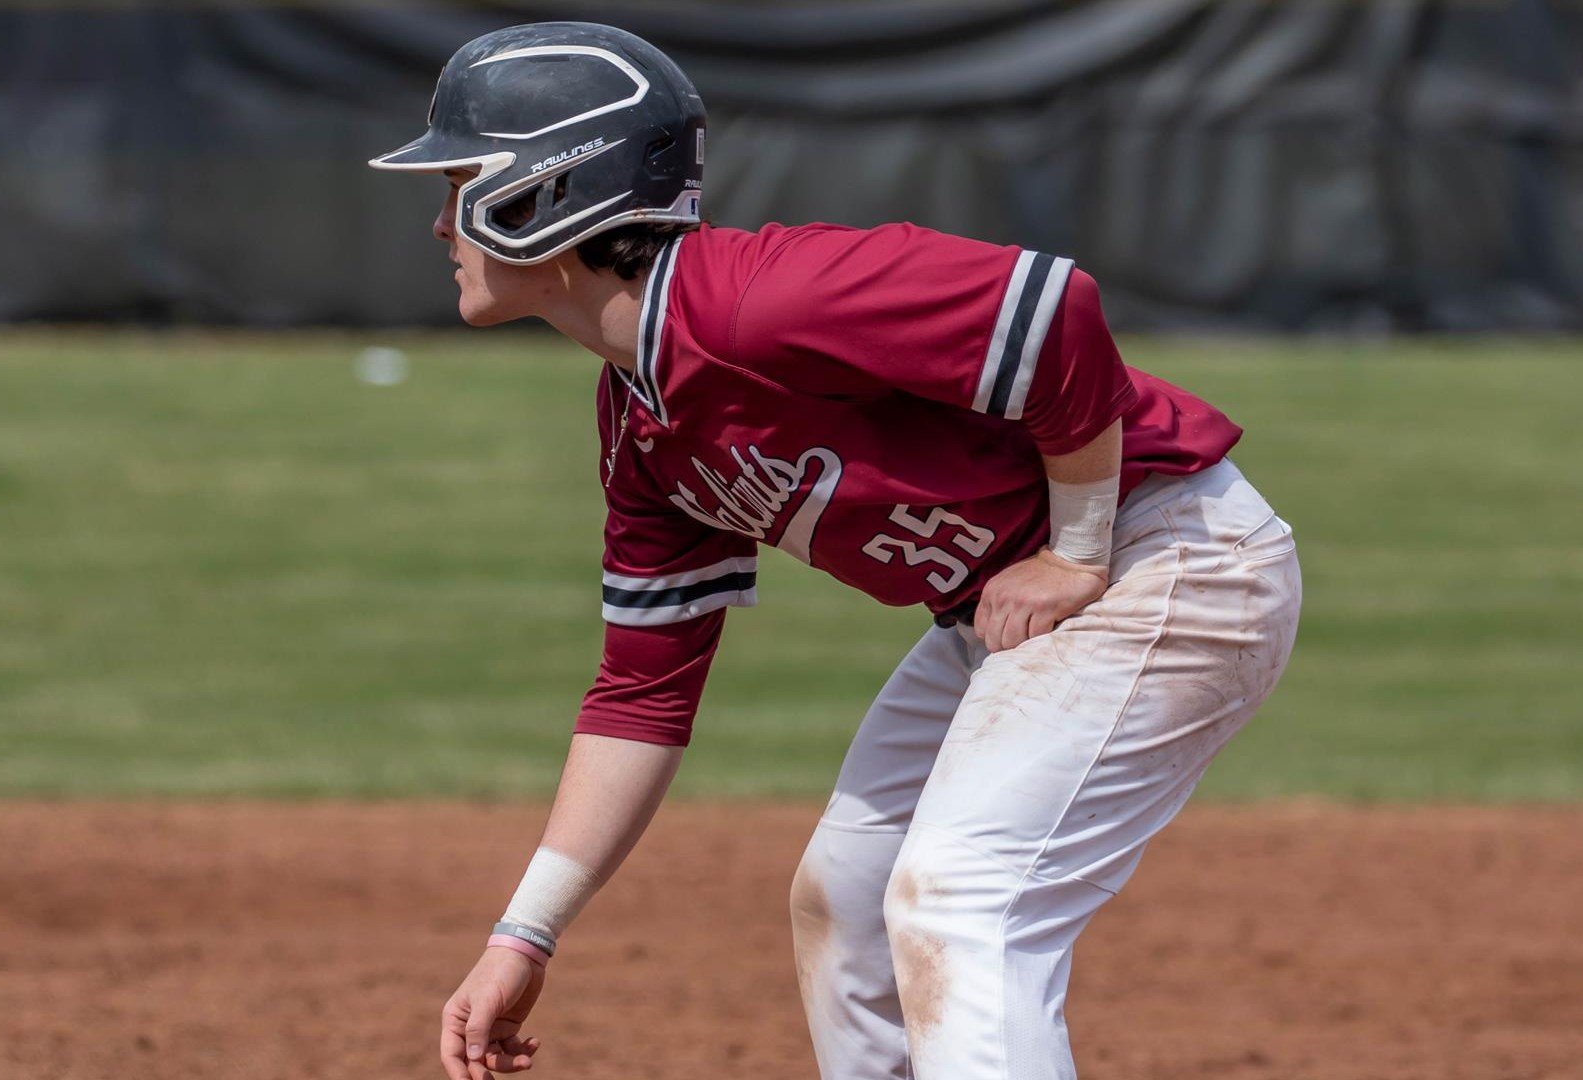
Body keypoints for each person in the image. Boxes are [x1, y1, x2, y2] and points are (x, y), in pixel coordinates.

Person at [370, 21, 1301, 1080]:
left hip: (1164, 557)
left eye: (460, 184)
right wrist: (522, 937)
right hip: (1009, 609)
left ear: (543, 193)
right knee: (846, 901)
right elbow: (641, 695)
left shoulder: (760, 301)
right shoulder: (641, 423)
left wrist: (1078, 551)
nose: (440, 222)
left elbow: (1051, 312)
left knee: (961, 898)